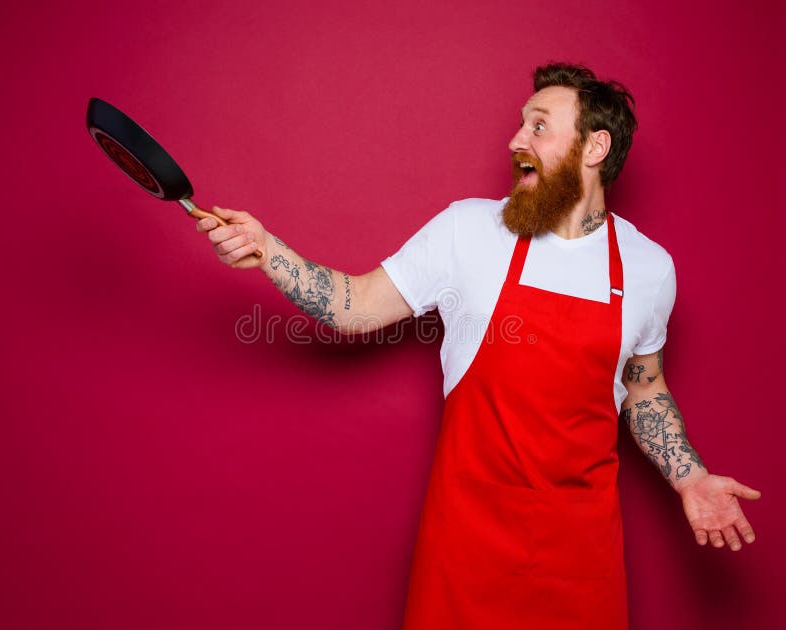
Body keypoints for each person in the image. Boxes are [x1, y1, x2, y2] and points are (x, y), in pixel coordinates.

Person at [196, 63, 762, 629]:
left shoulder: (649, 268)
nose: (516, 140)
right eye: (520, 124)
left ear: (596, 147)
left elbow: (643, 387)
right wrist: (269, 252)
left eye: (539, 126)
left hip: (580, 552)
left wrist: (688, 475)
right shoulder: (467, 231)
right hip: (467, 546)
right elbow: (354, 306)